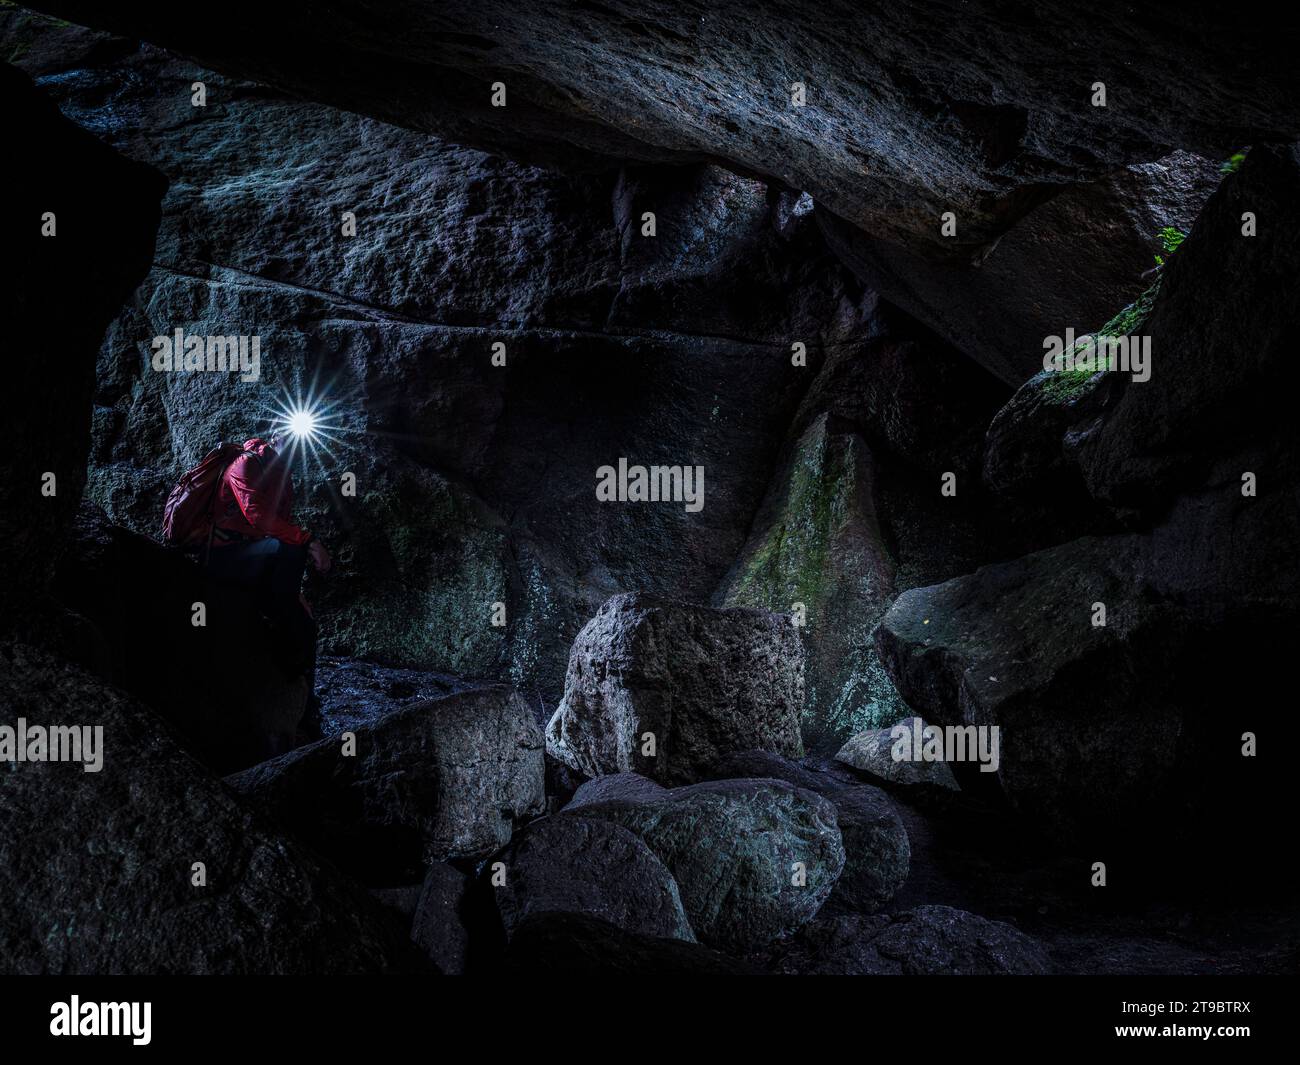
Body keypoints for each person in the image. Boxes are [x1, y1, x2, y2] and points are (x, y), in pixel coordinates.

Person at [204, 434, 331, 737]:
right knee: (293, 549)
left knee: (306, 626)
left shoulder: (284, 480)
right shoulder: (245, 463)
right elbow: (257, 516)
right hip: (223, 557)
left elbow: (276, 533)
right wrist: (309, 540)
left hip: (256, 560)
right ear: (275, 437)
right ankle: (280, 612)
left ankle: (305, 709)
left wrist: (293, 591)